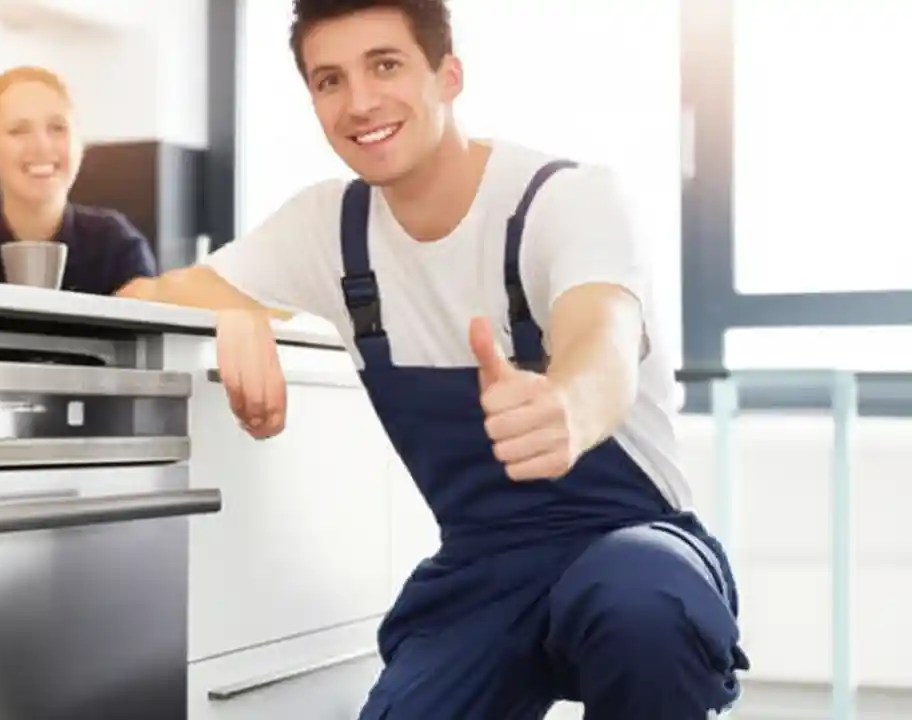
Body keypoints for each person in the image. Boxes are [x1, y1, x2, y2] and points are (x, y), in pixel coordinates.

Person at [122, 1, 750, 718]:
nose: (359, 102)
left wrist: (567, 408)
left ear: (448, 75)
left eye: (385, 65)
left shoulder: (566, 200)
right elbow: (146, 292)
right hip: (484, 569)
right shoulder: (329, 228)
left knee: (641, 604)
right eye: (330, 81)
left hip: (632, 542)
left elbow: (601, 339)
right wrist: (230, 310)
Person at [0, 66, 158, 296]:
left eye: (57, 128)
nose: (42, 146)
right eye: (18, 130)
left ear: (80, 145)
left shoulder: (115, 247)